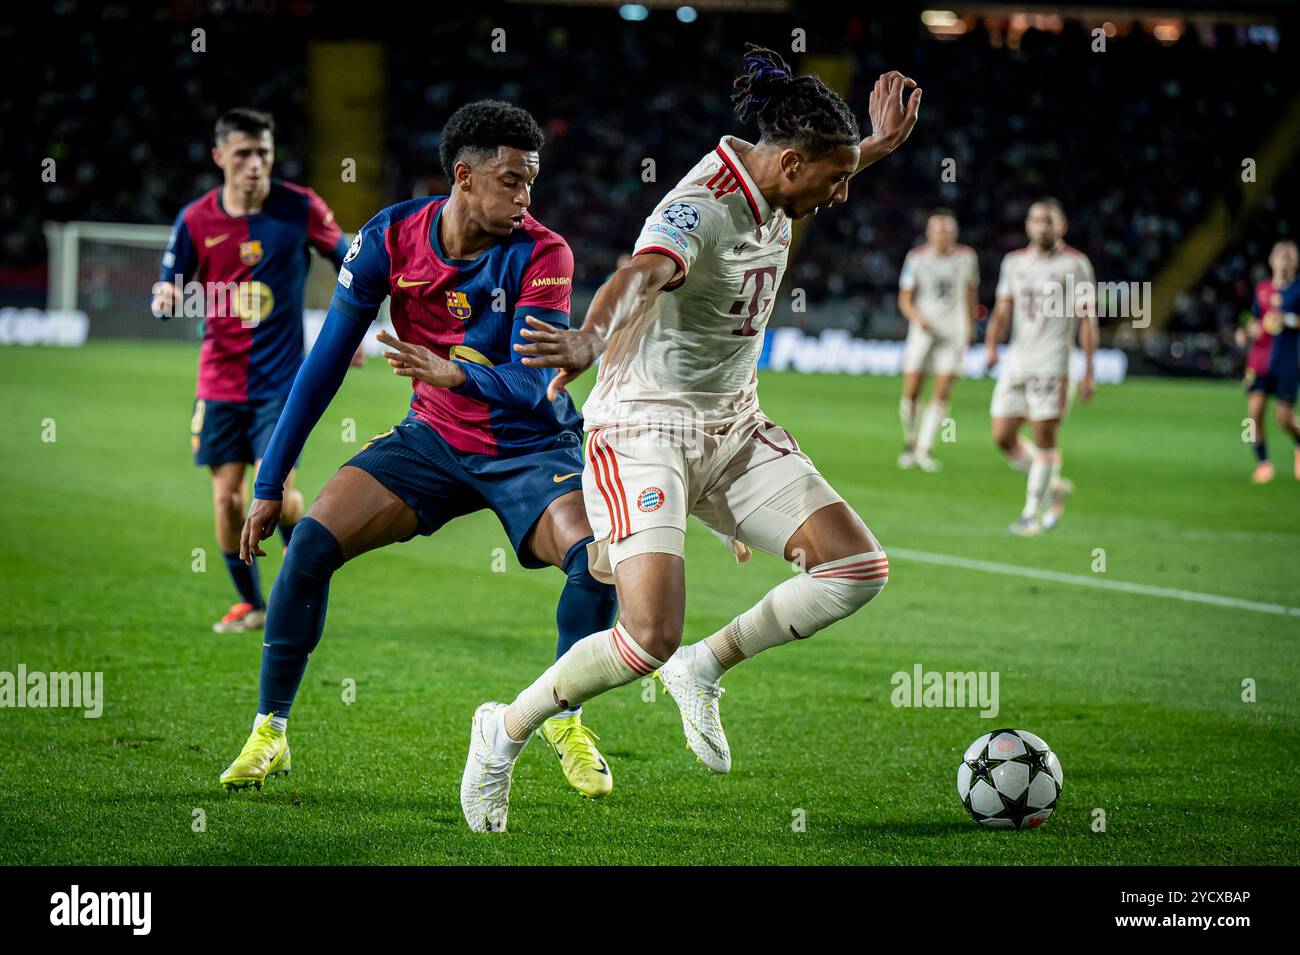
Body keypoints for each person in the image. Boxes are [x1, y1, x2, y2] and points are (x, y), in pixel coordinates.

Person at [460, 46, 921, 832]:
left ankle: (705, 665)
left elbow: (826, 169)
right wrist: (586, 338)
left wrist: (873, 146)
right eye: (836, 177)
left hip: (732, 423)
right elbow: (639, 272)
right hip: (644, 427)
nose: (844, 194)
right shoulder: (698, 207)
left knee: (856, 567)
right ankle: (502, 734)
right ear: (788, 162)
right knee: (646, 633)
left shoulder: (783, 179)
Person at [219, 101, 617, 799]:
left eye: (531, 184)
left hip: (528, 447)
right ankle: (268, 731)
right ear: (464, 177)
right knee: (309, 542)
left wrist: (457, 372)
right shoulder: (388, 239)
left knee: (598, 562)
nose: (527, 199)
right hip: (432, 439)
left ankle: (564, 718)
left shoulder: (543, 251)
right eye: (512, 182)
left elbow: (532, 384)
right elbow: (322, 367)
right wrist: (268, 482)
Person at [153, 107, 355, 633]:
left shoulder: (299, 207)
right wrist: (168, 293)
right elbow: (170, 275)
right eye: (243, 153)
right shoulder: (196, 219)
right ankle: (251, 603)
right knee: (228, 499)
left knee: (282, 495)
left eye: (263, 152)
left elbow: (353, 258)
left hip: (282, 382)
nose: (255, 163)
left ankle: (294, 590)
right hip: (219, 381)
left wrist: (350, 326)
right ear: (220, 157)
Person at [984, 198, 1096, 536]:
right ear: (1027, 226)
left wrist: (1089, 369)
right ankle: (1055, 485)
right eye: (1035, 220)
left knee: (1045, 435)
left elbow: (1087, 318)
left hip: (1053, 363)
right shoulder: (1014, 263)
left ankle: (1032, 512)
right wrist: (991, 344)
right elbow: (1004, 308)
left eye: (1048, 221)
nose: (1041, 227)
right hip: (1018, 359)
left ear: (1062, 226)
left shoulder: (1075, 265)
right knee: (1003, 435)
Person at [897, 209, 979, 472]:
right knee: (911, 392)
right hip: (923, 331)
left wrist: (970, 326)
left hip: (953, 332)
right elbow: (905, 299)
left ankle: (924, 448)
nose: (943, 235)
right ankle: (910, 441)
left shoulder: (967, 257)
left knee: (941, 394)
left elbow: (970, 293)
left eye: (948, 230)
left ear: (955, 233)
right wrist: (917, 318)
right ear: (929, 233)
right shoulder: (917, 258)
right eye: (938, 230)